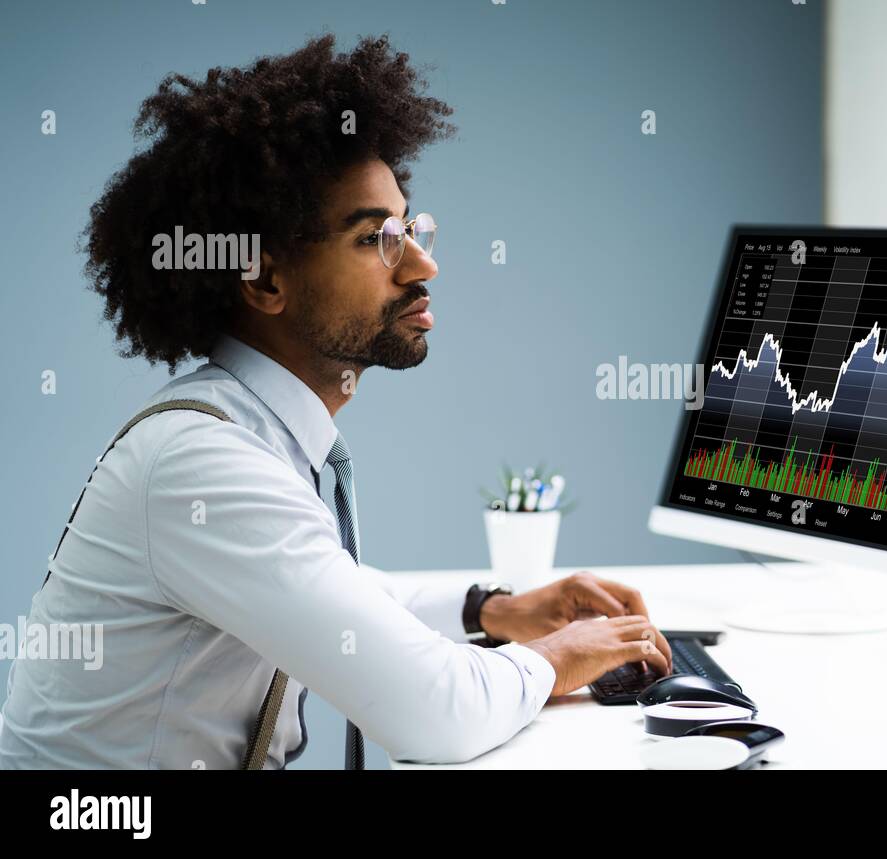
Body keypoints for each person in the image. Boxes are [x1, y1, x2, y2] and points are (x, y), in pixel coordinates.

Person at [0, 34, 671, 770]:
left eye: (409, 227)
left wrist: (489, 607)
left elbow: (332, 592)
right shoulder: (202, 462)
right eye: (374, 239)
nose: (423, 261)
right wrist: (559, 656)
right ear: (263, 282)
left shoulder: (238, 430)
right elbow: (437, 715)